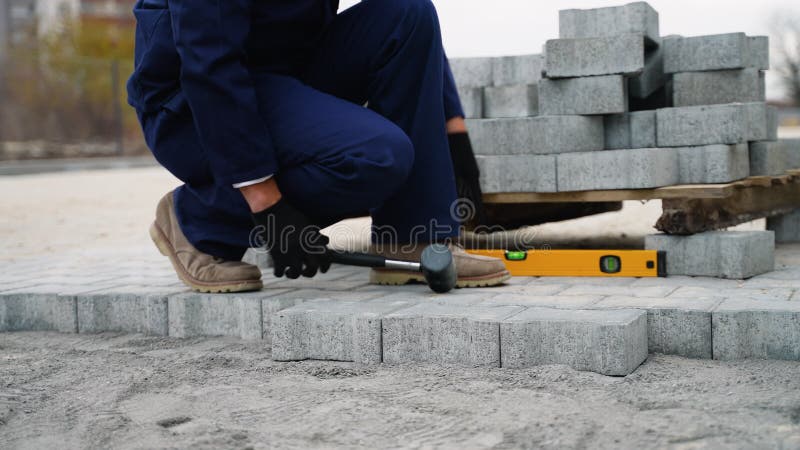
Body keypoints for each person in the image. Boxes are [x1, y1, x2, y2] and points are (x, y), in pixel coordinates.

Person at [127, 0, 510, 293]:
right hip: (193, 100)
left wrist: (452, 130)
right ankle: (199, 220)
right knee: (376, 156)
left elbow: (409, 23)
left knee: (409, 12)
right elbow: (206, 56)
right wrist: (265, 200)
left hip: (284, 69)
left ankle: (411, 235)